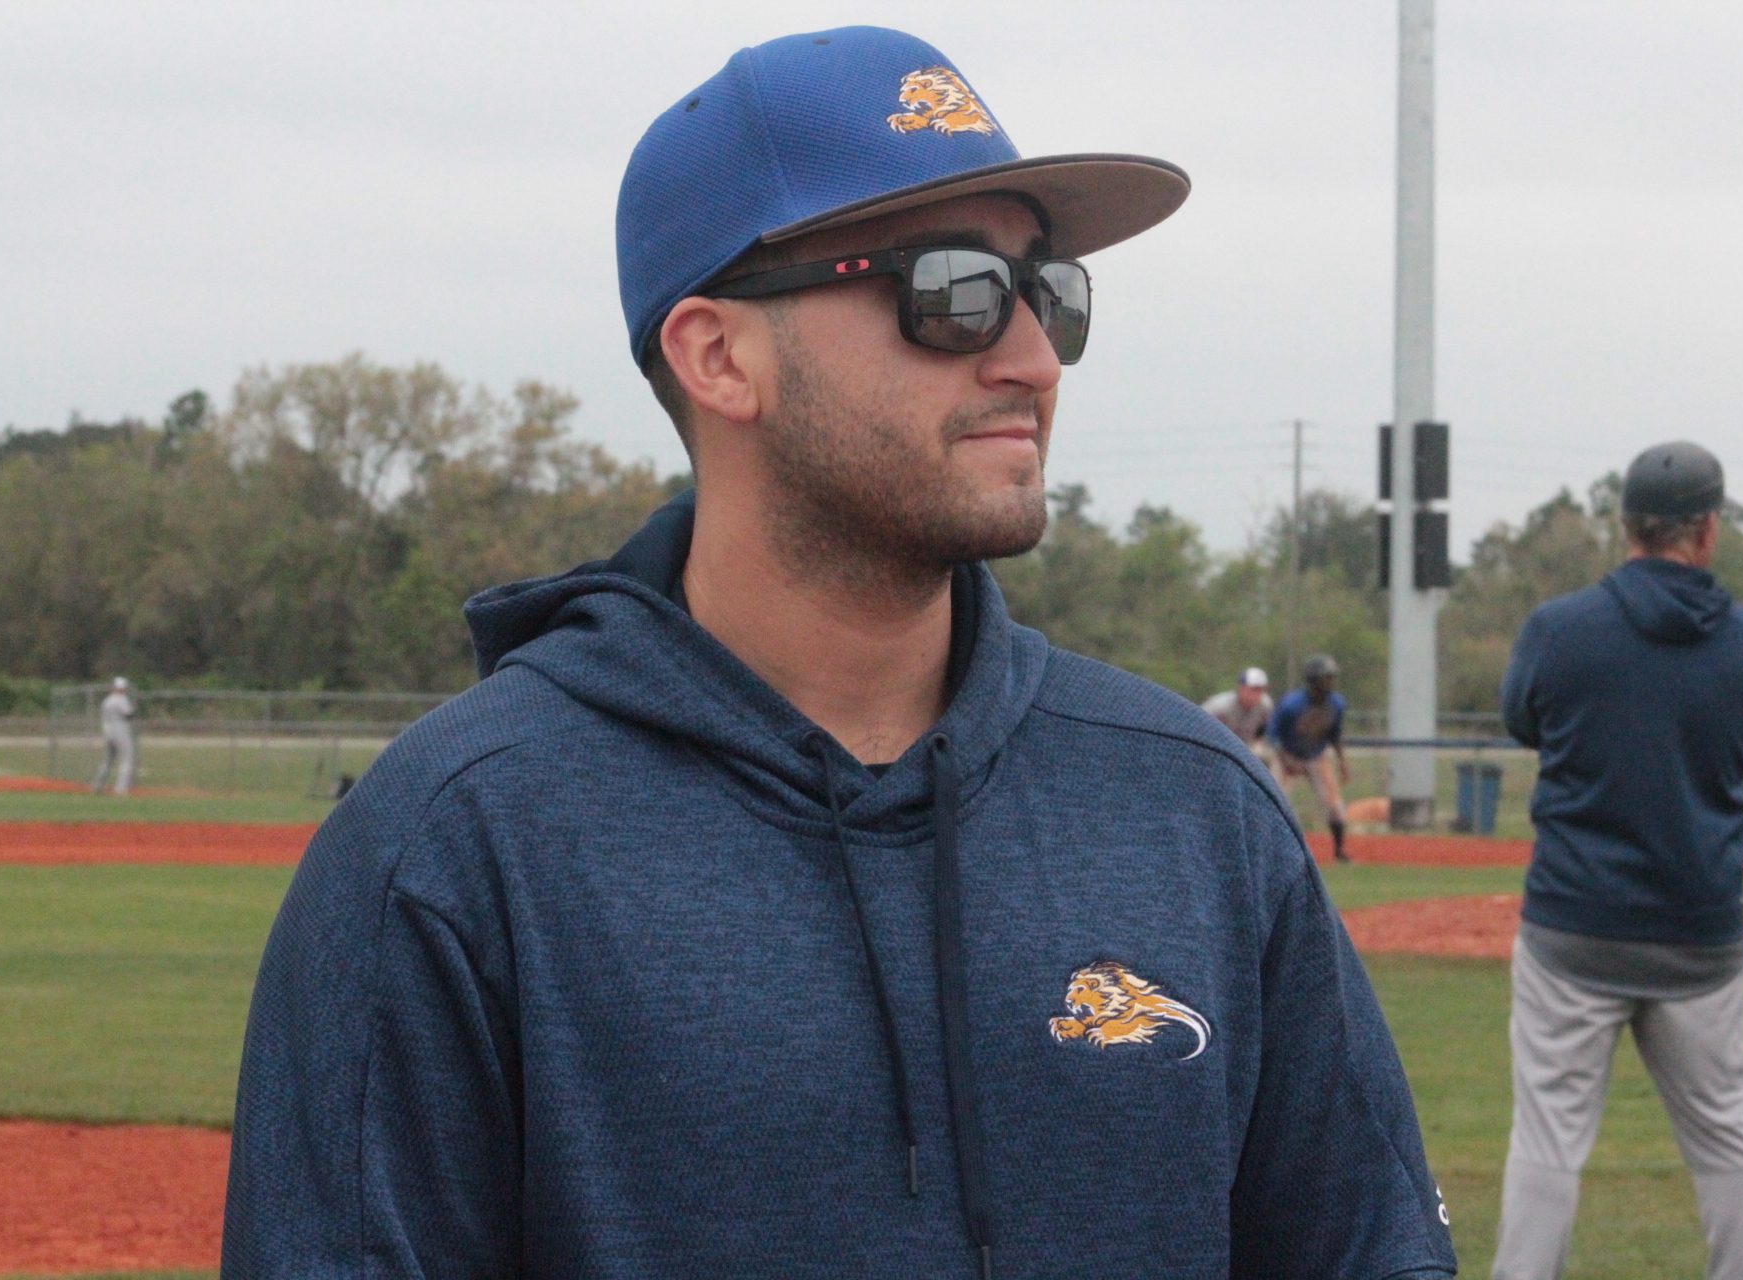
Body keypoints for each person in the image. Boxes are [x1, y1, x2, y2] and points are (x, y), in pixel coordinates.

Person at [224, 28, 1455, 1280]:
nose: (1030, 356)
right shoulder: (457, 840)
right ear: (717, 354)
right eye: (953, 289)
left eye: (1051, 292)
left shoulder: (1197, 808)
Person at [1491, 442, 1743, 1280]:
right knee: (1729, 1138)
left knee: (1547, 1141)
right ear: (1709, 529)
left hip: (1573, 927)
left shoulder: (1560, 629)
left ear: (1626, 526)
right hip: (1701, 935)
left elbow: (1524, 721)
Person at [1270, 654, 1351, 862]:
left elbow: (1335, 735)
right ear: (1314, 680)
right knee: (1273, 802)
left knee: (1334, 805)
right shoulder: (1291, 704)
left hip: (1316, 756)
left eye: (1332, 677)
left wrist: (1342, 761)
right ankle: (1274, 853)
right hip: (1287, 756)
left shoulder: (1337, 703)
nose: (1331, 682)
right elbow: (1273, 734)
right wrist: (1285, 760)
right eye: (1327, 677)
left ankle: (1340, 851)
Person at [1201, 666, 1274, 762]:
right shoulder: (1220, 706)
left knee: (1265, 757)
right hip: (1215, 748)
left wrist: (1258, 744)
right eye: (1253, 689)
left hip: (1244, 750)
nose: (1257, 694)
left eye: (1260, 690)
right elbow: (1198, 725)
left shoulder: (1265, 705)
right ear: (1240, 688)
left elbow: (1262, 729)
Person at [91, 677, 135, 796]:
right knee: (127, 759)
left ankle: (98, 786)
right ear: (122, 688)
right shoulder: (121, 699)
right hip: (120, 731)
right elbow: (129, 714)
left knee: (108, 760)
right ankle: (120, 789)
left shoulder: (107, 700)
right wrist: (133, 708)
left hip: (108, 732)